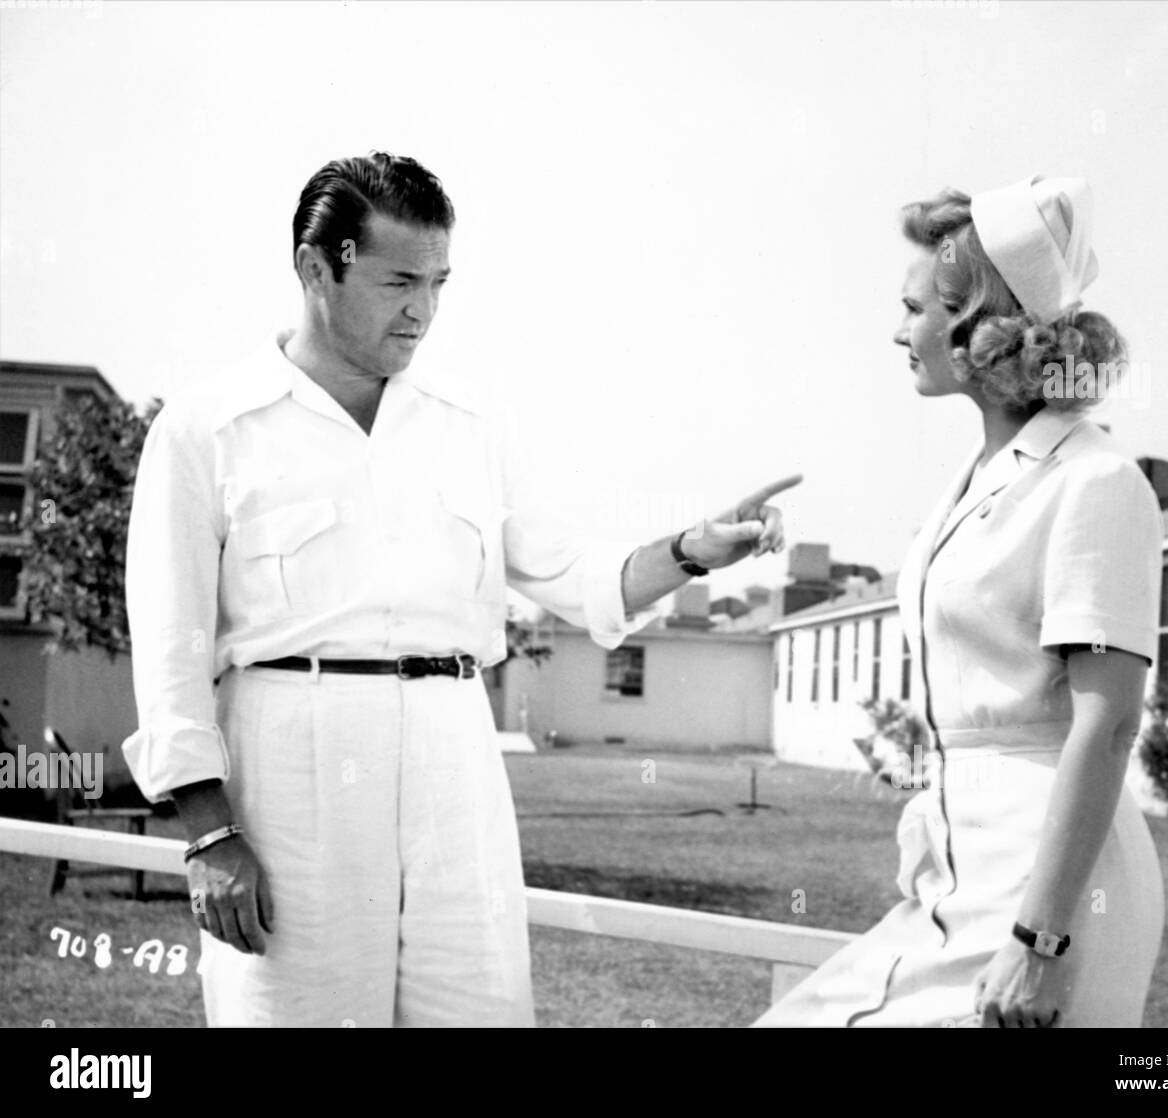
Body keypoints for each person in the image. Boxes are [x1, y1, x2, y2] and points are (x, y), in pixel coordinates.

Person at [123, 151, 800, 1027]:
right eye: (400, 282)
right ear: (315, 268)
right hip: (291, 771)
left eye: (439, 283)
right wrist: (210, 832)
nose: (424, 311)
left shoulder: (468, 425)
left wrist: (693, 550)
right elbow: (169, 650)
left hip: (456, 761)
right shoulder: (206, 429)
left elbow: (574, 575)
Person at [755, 175, 1164, 1028]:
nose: (896, 330)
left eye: (914, 308)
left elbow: (1109, 726)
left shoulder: (1096, 480)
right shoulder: (977, 478)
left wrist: (1038, 939)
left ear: (978, 325)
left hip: (1049, 897)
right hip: (961, 876)